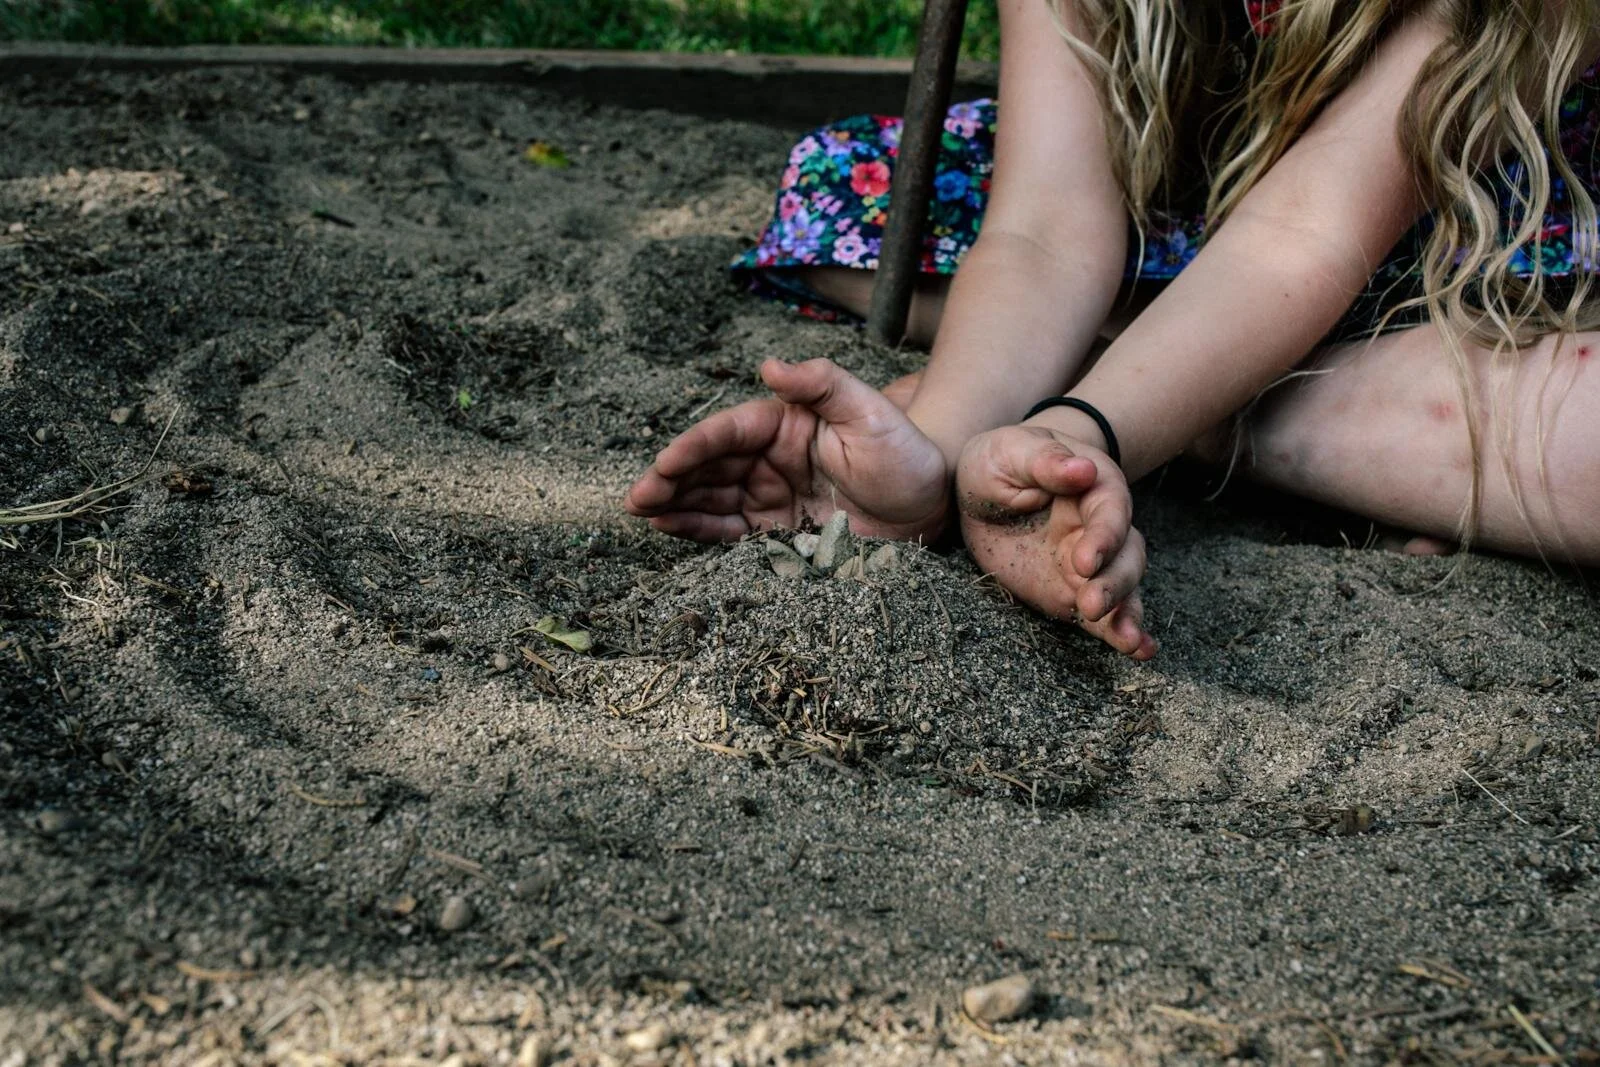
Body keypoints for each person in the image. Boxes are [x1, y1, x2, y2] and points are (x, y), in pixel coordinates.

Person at [626, 0, 1600, 661]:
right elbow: (1045, 229)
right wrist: (937, 445)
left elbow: (1310, 231)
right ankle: (1199, 387)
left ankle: (1208, 409)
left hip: (1488, 229)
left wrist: (1076, 432)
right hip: (1196, 204)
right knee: (842, 216)